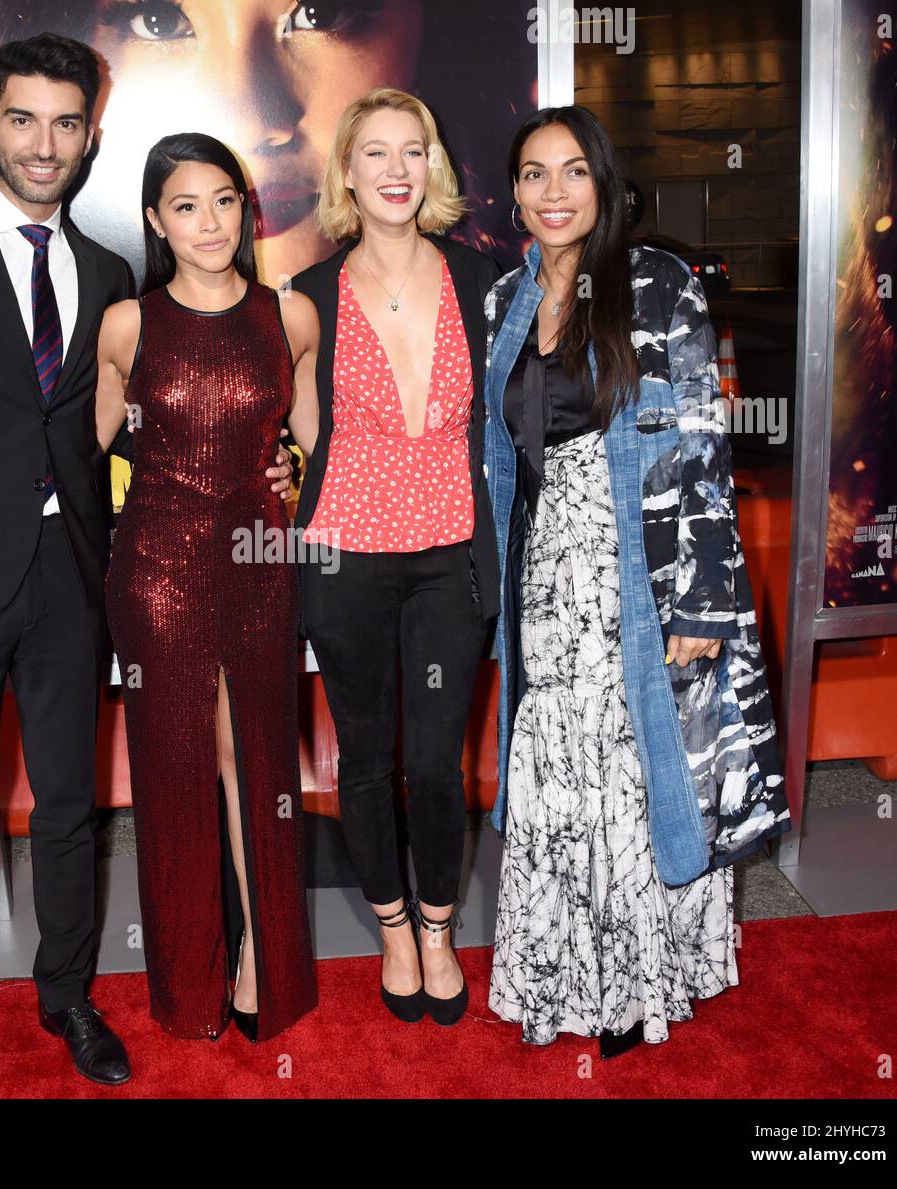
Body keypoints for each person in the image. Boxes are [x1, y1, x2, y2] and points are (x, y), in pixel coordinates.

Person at [0, 33, 295, 1096]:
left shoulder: (106, 271)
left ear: (91, 135)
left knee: (72, 804)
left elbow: (137, 426)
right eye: (24, 120)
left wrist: (259, 442)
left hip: (74, 577)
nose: (45, 143)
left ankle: (67, 996)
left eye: (67, 122)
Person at [482, 105, 790, 1054]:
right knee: (558, 763)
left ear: (606, 184)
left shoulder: (660, 283)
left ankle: (637, 982)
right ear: (515, 193)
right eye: (533, 174)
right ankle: (562, 972)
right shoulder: (506, 297)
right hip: (541, 567)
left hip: (642, 560)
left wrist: (700, 600)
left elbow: (699, 441)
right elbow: (495, 453)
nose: (554, 192)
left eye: (573, 172)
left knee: (637, 765)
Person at [95, 133, 321, 1042]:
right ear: (156, 220)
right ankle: (194, 974)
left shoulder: (289, 317)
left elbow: (318, 446)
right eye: (185, 206)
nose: (209, 222)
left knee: (255, 758)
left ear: (247, 208)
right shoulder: (129, 324)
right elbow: (81, 452)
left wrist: (296, 478)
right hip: (155, 568)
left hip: (259, 564)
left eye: (224, 200)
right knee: (178, 763)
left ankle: (264, 957)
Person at [290, 88, 501, 1027]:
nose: (394, 171)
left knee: (438, 760)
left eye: (411, 151)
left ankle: (442, 928)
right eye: (373, 153)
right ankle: (392, 932)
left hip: (450, 550)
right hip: (346, 555)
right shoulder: (306, 297)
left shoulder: (480, 283)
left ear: (433, 166)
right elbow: (297, 434)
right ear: (346, 172)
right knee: (366, 757)